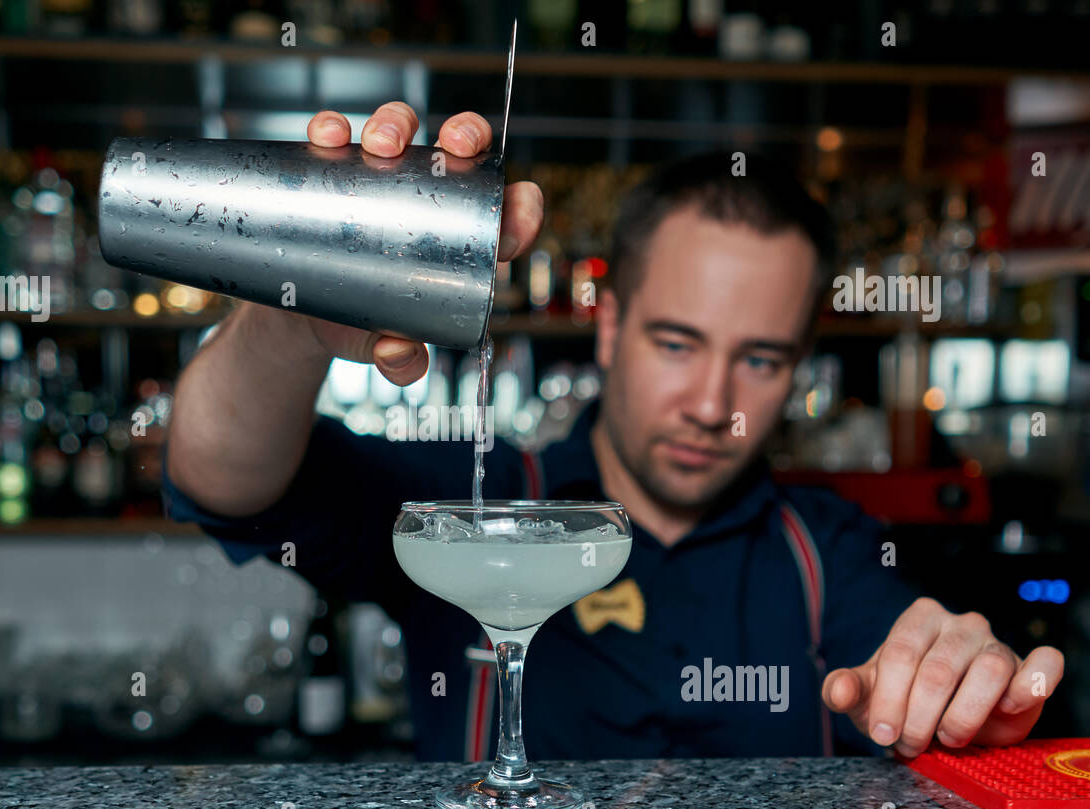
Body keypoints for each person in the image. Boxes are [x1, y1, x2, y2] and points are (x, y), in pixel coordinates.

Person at [163, 102, 1065, 762]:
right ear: (609, 325)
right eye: (677, 342)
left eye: (760, 358)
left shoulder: (827, 553)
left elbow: (918, 661)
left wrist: (956, 681)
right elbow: (223, 477)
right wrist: (294, 313)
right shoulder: (478, 500)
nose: (713, 403)